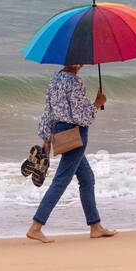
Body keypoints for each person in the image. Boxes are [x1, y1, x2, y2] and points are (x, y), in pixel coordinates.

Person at [26, 64, 117, 242]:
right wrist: (97, 104)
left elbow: (48, 112)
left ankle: (95, 226)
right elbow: (81, 117)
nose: (82, 64)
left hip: (59, 131)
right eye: (81, 62)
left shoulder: (54, 79)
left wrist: (46, 139)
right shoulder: (75, 82)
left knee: (87, 178)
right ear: (76, 63)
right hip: (75, 133)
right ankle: (36, 227)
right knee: (61, 180)